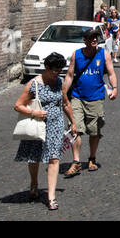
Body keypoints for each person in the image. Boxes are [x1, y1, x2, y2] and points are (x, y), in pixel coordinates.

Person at [13, 51, 77, 211]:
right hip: (37, 125)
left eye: (59, 70)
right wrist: (34, 113)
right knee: (34, 158)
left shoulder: (60, 82)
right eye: (54, 70)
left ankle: (51, 197)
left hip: (55, 125)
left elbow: (65, 103)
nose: (56, 73)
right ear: (46, 67)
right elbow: (18, 105)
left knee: (54, 159)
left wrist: (73, 122)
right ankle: (34, 183)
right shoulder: (33, 84)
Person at [62, 27, 118, 175]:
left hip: (96, 98)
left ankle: (92, 158)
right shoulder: (77, 55)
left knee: (94, 131)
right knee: (75, 129)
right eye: (91, 37)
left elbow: (111, 72)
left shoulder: (103, 54)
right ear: (85, 40)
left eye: (96, 37)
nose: (94, 40)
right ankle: (76, 162)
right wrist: (63, 92)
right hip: (77, 97)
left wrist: (115, 88)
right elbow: (69, 75)